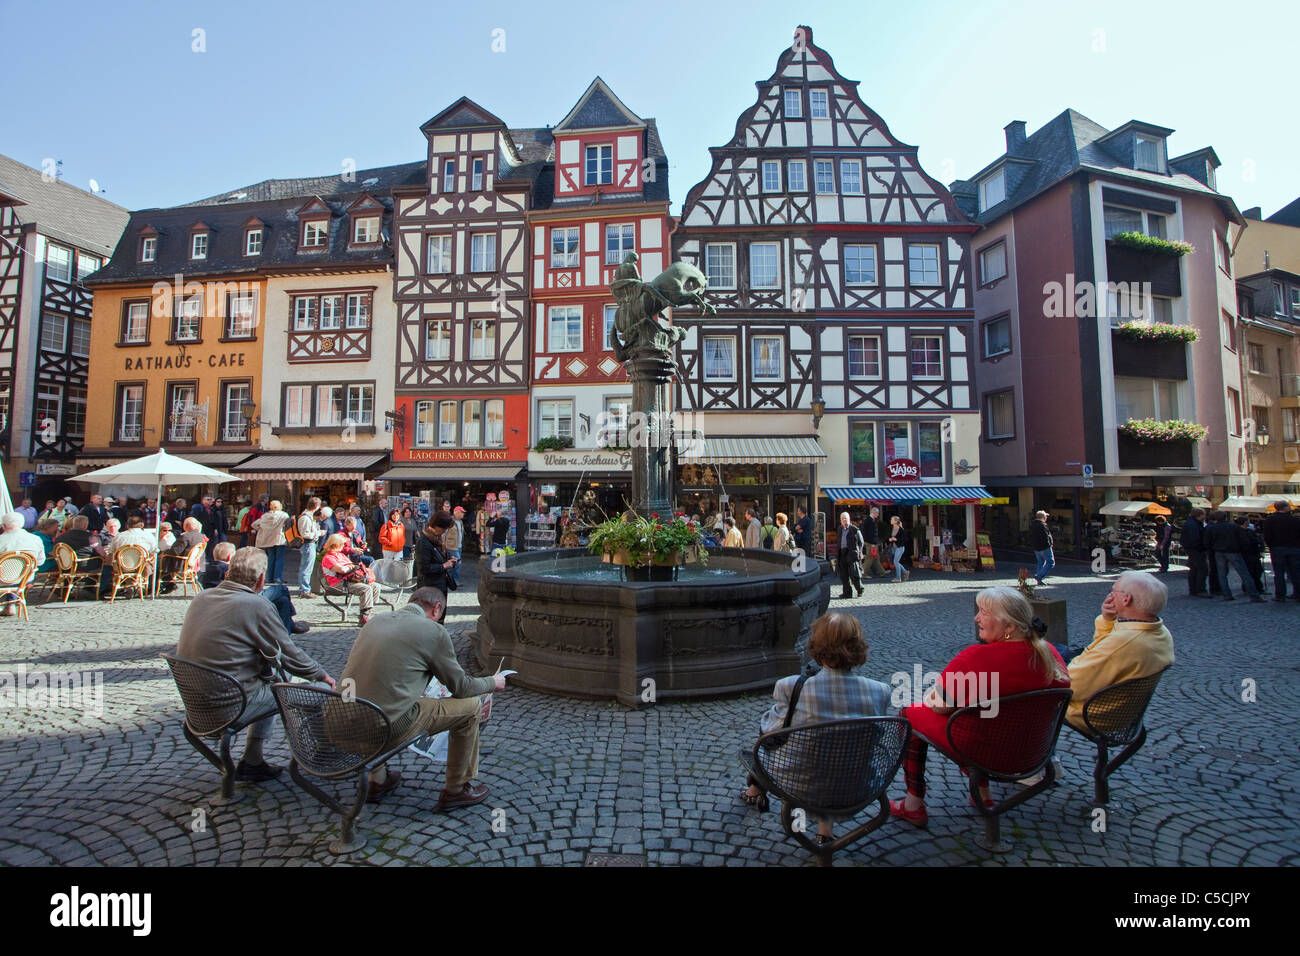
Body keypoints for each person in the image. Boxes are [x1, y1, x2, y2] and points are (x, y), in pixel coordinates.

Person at [890, 586, 1070, 827]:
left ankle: (913, 802)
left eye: (984, 612)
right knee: (987, 718)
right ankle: (983, 795)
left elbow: (940, 705)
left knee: (909, 714)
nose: (976, 618)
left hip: (982, 750)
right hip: (1033, 754)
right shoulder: (1051, 655)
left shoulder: (976, 658)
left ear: (1009, 626)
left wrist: (939, 698)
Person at [175, 547, 334, 782]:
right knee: (320, 692)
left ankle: (253, 758)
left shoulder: (202, 597)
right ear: (261, 579)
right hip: (230, 705)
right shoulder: (255, 605)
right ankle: (325, 753)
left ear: (228, 572)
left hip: (196, 704)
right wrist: (321, 676)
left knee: (277, 680)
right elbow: (288, 654)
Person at [340, 586, 508, 809]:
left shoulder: (376, 621)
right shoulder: (433, 632)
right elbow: (461, 687)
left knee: (378, 697)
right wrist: (491, 682)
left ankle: (377, 780)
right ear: (437, 608)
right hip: (383, 728)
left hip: (339, 724)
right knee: (471, 708)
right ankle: (456, 789)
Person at [739, 612, 891, 837]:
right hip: (857, 787)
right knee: (837, 751)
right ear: (858, 646)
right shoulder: (880, 691)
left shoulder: (790, 687)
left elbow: (769, 732)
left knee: (764, 749)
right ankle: (824, 831)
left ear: (816, 645)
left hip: (796, 786)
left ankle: (754, 789)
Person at [1066, 571, 1174, 732]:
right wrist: (1108, 620)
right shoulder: (1159, 632)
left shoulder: (1124, 643)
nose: (1110, 595)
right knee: (1056, 649)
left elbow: (1069, 684)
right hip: (1120, 709)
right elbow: (1103, 647)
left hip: (1087, 713)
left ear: (1126, 599)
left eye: (1113, 590)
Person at [202, 541, 310, 635]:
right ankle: (289, 625)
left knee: (283, 601)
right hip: (240, 599)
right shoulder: (229, 569)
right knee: (282, 589)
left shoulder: (207, 569)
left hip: (226, 599)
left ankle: (287, 629)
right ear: (230, 557)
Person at [320, 533, 381, 626]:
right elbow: (342, 570)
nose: (344, 546)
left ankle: (368, 612)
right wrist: (350, 567)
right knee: (366, 589)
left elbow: (350, 566)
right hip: (338, 583)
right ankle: (363, 617)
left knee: (376, 586)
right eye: (342, 544)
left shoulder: (341, 555)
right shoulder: (328, 557)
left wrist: (351, 567)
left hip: (350, 580)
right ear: (335, 544)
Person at [1204, 510, 1263, 602]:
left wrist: (1211, 549)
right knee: (1244, 573)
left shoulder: (1212, 528)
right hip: (1233, 551)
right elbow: (1243, 540)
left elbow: (1207, 542)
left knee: (1222, 574)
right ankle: (1254, 595)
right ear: (1226, 517)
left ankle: (1226, 595)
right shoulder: (1234, 527)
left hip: (1219, 551)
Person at [99, 515, 159, 598]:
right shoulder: (148, 536)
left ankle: (103, 589)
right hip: (142, 567)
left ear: (127, 525)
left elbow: (111, 552)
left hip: (122, 567)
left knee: (109, 565)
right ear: (142, 525)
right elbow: (155, 551)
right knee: (154, 560)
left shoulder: (119, 536)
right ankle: (149, 587)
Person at [0, 513, 46, 614]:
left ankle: (10, 605)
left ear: (3, 526)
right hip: (25, 578)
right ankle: (10, 605)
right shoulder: (36, 539)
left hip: (2, 579)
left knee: (6, 572)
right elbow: (40, 562)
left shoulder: (1, 540)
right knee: (10, 573)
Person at [415, 515, 458, 621]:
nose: (444, 532)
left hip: (440, 585)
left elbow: (439, 556)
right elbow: (424, 568)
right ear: (436, 526)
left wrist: (449, 558)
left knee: (440, 616)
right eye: (443, 529)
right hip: (430, 587)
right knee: (431, 618)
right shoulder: (423, 542)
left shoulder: (436, 539)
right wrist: (443, 566)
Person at [1262, 500, 1300, 602]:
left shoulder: (1270, 520)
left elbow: (1267, 535)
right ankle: (1298, 594)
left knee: (1279, 573)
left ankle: (1280, 595)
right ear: (1285, 508)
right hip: (1294, 548)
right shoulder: (1295, 520)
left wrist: (1271, 546)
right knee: (1296, 572)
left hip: (1277, 548)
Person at [252, 499, 293, 585]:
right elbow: (289, 524)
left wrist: (263, 529)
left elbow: (254, 524)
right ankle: (277, 578)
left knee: (270, 558)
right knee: (279, 559)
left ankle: (269, 577)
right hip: (279, 539)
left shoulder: (266, 516)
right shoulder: (283, 515)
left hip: (268, 540)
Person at [295, 498, 323, 600]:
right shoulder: (305, 517)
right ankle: (304, 590)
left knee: (307, 567)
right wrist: (318, 533)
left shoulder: (308, 516)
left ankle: (305, 589)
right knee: (306, 568)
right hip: (308, 544)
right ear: (316, 506)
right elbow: (305, 534)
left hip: (310, 544)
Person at [1181, 508, 1211, 597]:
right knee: (1202, 569)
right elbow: (1195, 539)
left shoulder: (1192, 523)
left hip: (1192, 549)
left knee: (1194, 569)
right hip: (1196, 549)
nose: (1205, 516)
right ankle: (1200, 590)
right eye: (1204, 514)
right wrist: (1201, 547)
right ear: (1200, 515)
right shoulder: (1193, 525)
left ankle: (1194, 589)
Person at [836, 511, 864, 599]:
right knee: (844, 575)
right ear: (840, 520)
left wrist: (859, 552)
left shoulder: (854, 529)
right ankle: (847, 593)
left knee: (854, 574)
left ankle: (860, 589)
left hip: (852, 554)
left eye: (845, 518)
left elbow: (861, 542)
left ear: (849, 519)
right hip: (842, 553)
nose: (844, 520)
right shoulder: (840, 529)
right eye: (842, 519)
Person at [1235, 516, 1266, 595]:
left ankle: (1256, 587)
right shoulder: (1239, 532)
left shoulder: (1249, 531)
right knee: (1251, 572)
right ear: (1245, 522)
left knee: (1257, 571)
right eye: (1248, 521)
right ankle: (1251, 588)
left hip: (1253, 554)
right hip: (1247, 554)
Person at [860, 507, 887, 578]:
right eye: (877, 513)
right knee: (870, 558)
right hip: (871, 543)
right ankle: (863, 573)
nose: (878, 515)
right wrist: (872, 544)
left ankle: (882, 572)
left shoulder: (869, 520)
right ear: (874, 513)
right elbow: (869, 533)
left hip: (871, 542)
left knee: (876, 558)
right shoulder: (869, 521)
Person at [1030, 510, 1053, 586]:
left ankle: (1040, 580)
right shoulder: (1042, 525)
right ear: (1043, 517)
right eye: (1045, 516)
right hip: (1044, 547)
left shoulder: (1033, 525)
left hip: (1036, 547)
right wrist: (1049, 544)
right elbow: (1045, 537)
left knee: (1041, 562)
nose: (1046, 517)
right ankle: (1039, 576)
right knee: (1050, 562)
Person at [445, 506, 466, 586]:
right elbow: (444, 533)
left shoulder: (460, 521)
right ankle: (453, 580)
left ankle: (451, 580)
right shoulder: (450, 521)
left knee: (454, 563)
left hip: (458, 546)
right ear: (456, 512)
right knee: (456, 563)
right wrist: (444, 544)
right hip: (451, 546)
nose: (463, 514)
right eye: (462, 512)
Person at [888, 514, 909, 583]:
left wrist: (896, 539)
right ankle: (905, 572)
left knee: (895, 562)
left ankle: (898, 578)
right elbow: (889, 537)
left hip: (900, 547)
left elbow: (904, 539)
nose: (891, 521)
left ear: (896, 521)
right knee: (896, 562)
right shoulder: (891, 528)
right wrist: (890, 539)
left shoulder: (901, 529)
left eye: (892, 519)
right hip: (894, 547)